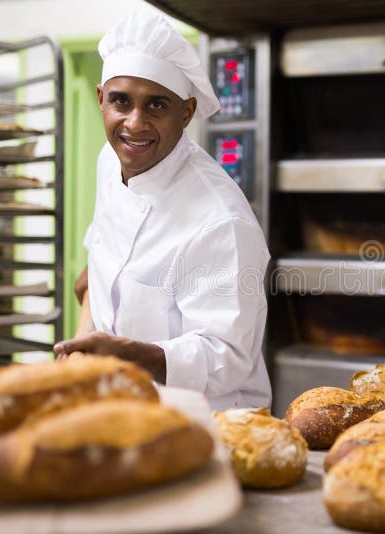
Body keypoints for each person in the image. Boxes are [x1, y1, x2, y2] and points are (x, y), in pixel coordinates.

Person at [53, 8, 272, 411]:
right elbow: (101, 259)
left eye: (156, 106)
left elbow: (228, 357)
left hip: (211, 425)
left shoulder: (221, 220)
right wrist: (84, 342)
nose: (134, 124)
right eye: (121, 101)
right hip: (121, 406)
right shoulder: (109, 160)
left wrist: (129, 355)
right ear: (101, 99)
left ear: (185, 113)